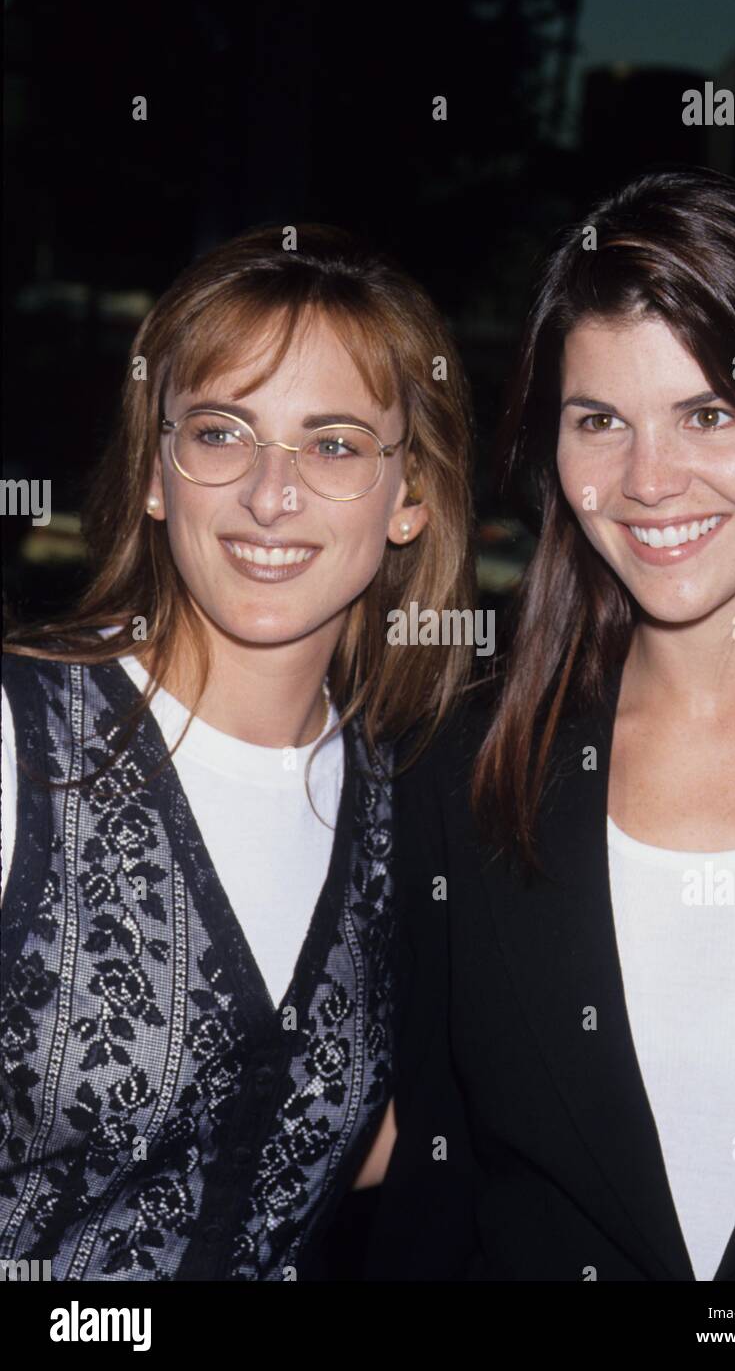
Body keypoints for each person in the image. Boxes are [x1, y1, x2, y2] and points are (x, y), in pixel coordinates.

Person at [364, 167, 735, 1281]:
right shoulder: (457, 763)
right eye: (598, 419)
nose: (647, 479)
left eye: (708, 412)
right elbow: (426, 1193)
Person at [0, 223, 475, 1280]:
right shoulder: (17, 743)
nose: (272, 493)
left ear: (411, 498)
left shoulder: (412, 802)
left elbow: (367, 1128)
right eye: (221, 433)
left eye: (336, 443)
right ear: (158, 471)